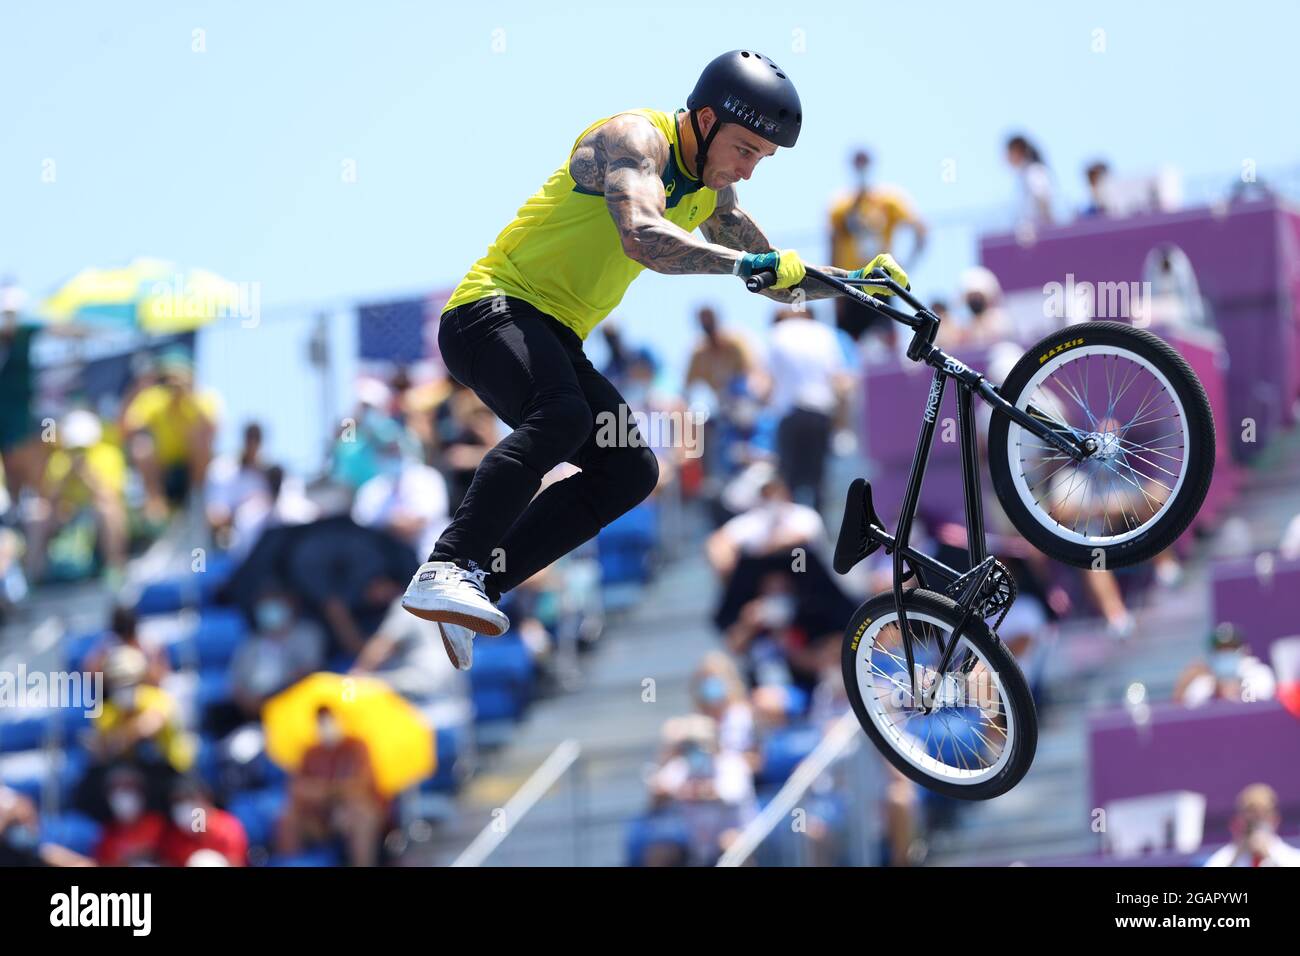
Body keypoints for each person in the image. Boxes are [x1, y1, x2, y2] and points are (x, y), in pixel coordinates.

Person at [399, 49, 910, 671]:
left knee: (630, 471)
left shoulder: (711, 195)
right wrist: (743, 264)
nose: (748, 171)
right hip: (490, 310)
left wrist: (857, 284)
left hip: (554, 332)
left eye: (761, 159)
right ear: (701, 121)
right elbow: (641, 235)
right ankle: (449, 564)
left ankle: (480, 584)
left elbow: (776, 279)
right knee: (560, 417)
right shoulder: (635, 141)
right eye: (745, 149)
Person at [758, 306, 853, 512]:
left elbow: (764, 385)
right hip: (821, 416)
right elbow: (841, 382)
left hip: (791, 417)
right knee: (820, 486)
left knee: (789, 485)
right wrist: (842, 424)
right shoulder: (825, 334)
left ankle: (794, 536)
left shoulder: (776, 334)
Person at [828, 149, 927, 346]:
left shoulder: (888, 199)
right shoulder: (840, 204)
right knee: (848, 343)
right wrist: (833, 285)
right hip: (850, 280)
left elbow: (920, 228)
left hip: (881, 278)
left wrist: (906, 265)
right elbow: (832, 244)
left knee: (888, 336)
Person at [276, 706, 388, 867]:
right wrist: (330, 791)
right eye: (321, 721)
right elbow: (297, 788)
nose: (326, 725)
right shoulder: (311, 752)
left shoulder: (357, 747)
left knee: (362, 817)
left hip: (352, 812)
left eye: (330, 719)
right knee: (286, 817)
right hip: (319, 814)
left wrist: (330, 791)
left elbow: (361, 785)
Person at [122, 349, 219, 521]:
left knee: (200, 441)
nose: (173, 383)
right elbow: (127, 428)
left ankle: (197, 498)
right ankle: (155, 501)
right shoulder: (153, 398)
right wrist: (140, 388)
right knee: (141, 446)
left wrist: (188, 397)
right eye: (168, 377)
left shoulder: (202, 398)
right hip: (164, 469)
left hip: (192, 470)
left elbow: (212, 431)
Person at [1173, 623, 1276, 708]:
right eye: (1220, 650)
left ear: (1244, 650)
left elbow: (1261, 698)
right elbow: (1189, 707)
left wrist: (1238, 687)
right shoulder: (1205, 682)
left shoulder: (1258, 673)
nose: (1225, 654)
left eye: (1231, 649)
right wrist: (1215, 688)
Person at [1203, 784, 1300, 867]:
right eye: (1252, 812)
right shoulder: (1221, 860)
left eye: (1264, 812)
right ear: (1239, 819)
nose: (1258, 818)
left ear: (1275, 819)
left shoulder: (1293, 859)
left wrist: (1269, 856)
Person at [1005, 133, 1055, 227]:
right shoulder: (1023, 174)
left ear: (1017, 151)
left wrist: (1048, 227)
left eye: (1009, 152)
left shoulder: (1034, 171)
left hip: (1040, 228)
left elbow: (1043, 199)